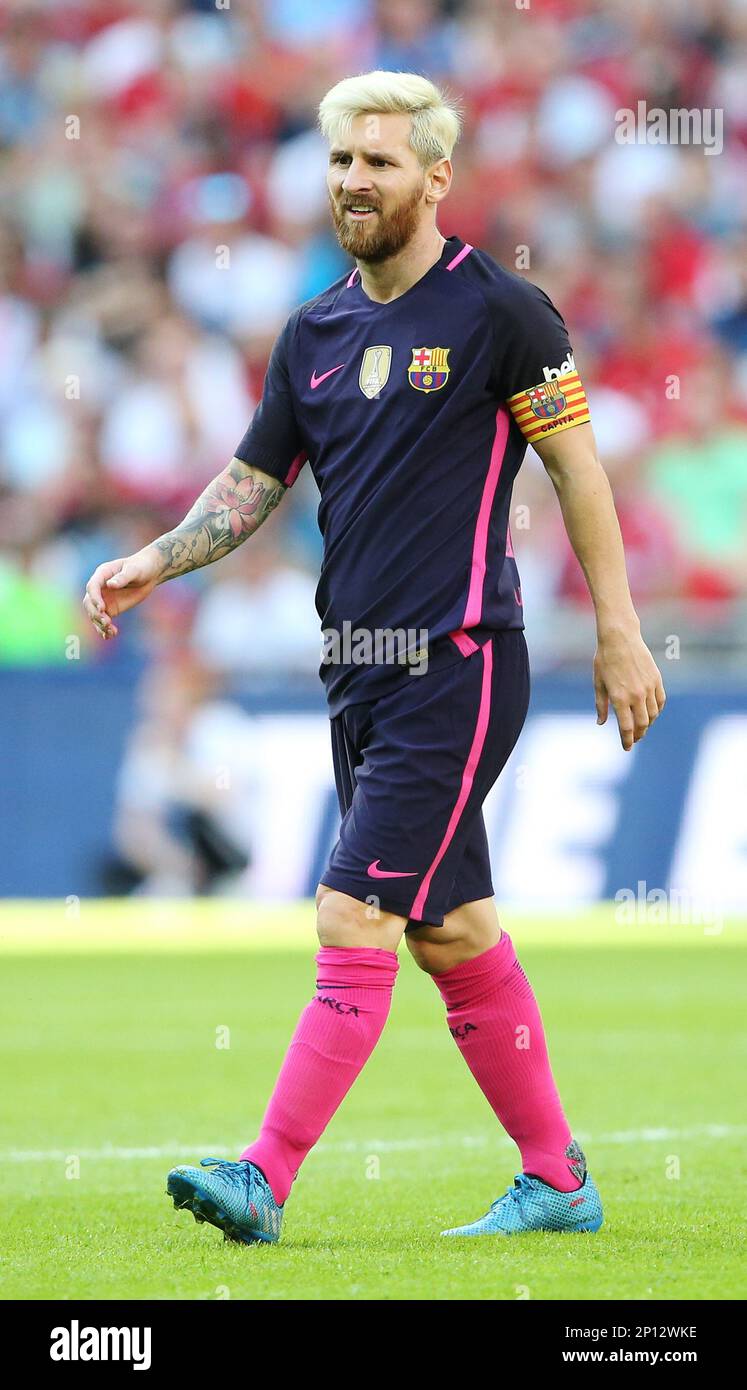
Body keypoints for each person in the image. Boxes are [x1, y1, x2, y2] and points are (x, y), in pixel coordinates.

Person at [83, 70, 666, 1245]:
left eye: (381, 162)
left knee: (353, 914)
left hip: (458, 663)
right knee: (451, 929)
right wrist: (157, 557)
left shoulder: (505, 312)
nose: (355, 180)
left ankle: (265, 1173)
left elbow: (578, 472)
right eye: (342, 160)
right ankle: (557, 1178)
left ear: (436, 178)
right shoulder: (313, 331)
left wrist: (618, 629)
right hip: (352, 672)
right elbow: (255, 481)